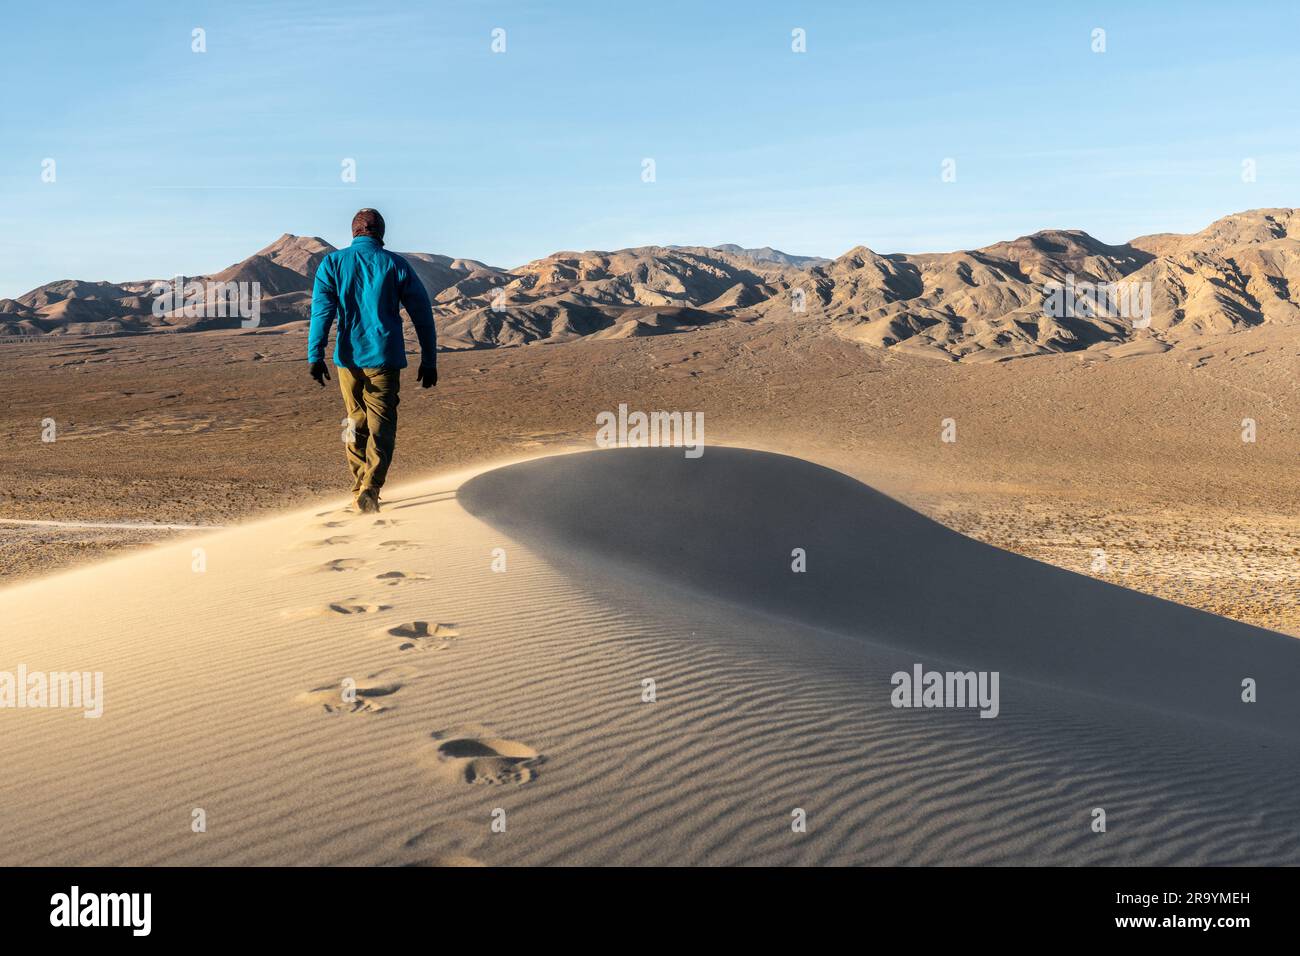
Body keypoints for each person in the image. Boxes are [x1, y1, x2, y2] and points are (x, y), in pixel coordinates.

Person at [307, 209, 437, 513]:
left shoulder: (332, 263)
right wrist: (429, 360)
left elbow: (321, 312)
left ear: (353, 232)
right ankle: (370, 488)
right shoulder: (395, 264)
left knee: (353, 422)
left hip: (347, 360)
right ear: (381, 233)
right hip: (384, 358)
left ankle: (358, 487)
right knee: (382, 426)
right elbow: (422, 315)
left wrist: (316, 355)